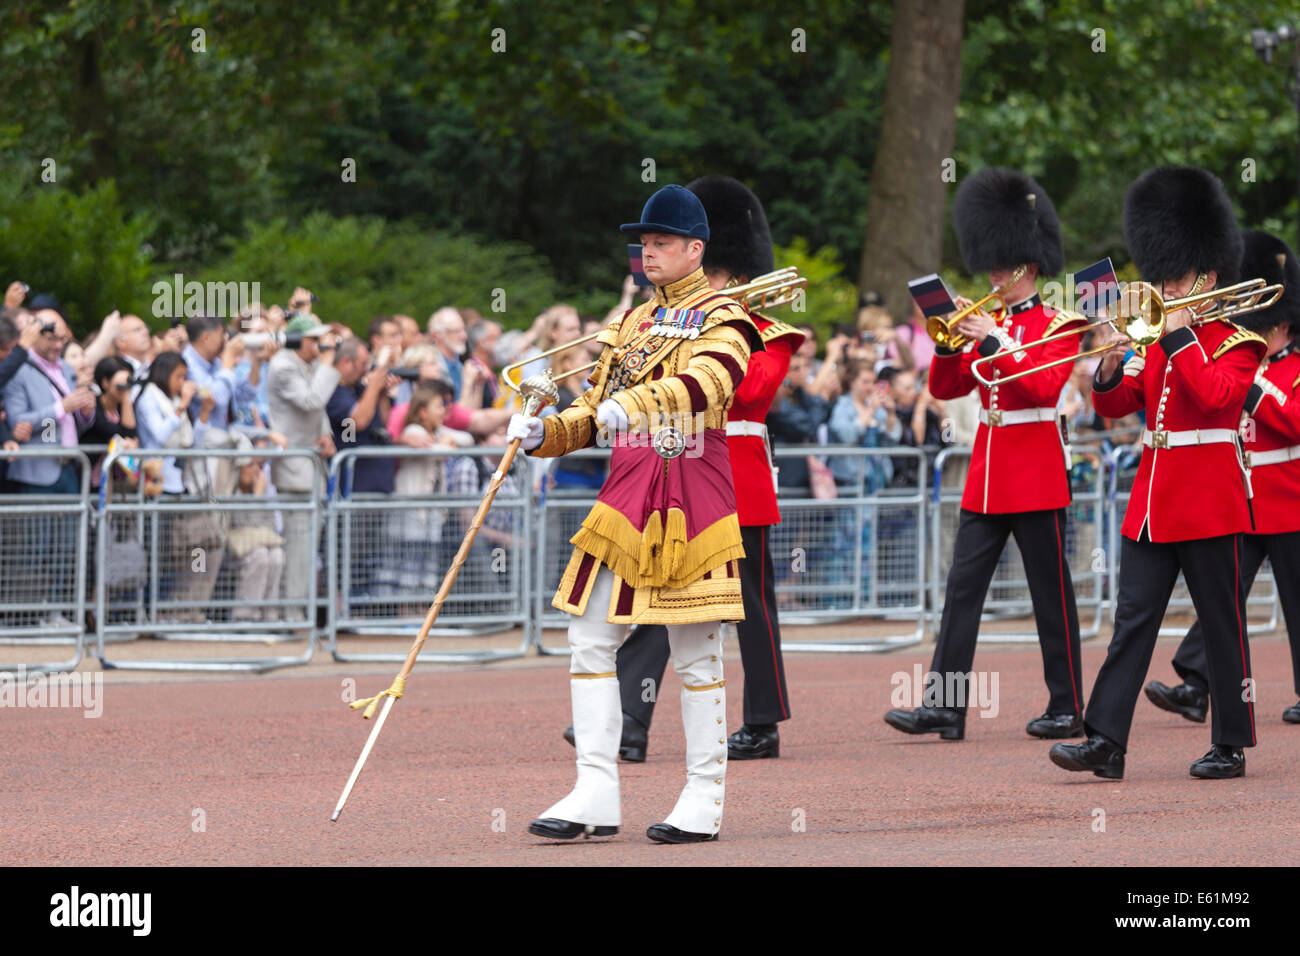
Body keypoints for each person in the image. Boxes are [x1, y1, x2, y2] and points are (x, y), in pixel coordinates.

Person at [511, 184, 760, 843]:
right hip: (628, 489)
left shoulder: (726, 317)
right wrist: (548, 435)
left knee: (696, 658)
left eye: (662, 243)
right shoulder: (634, 324)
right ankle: (595, 787)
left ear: (695, 249)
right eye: (644, 243)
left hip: (691, 491)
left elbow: (711, 382)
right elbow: (597, 407)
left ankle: (704, 796)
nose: (648, 253)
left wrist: (639, 406)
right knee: (589, 636)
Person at [558, 176, 805, 764]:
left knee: (749, 607)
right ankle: (631, 719)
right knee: (660, 600)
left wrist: (714, 336)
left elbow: (746, 390)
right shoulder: (658, 320)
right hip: (669, 475)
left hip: (733, 472)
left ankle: (762, 719)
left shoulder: (760, 329)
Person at [1050, 165, 1265, 780]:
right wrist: (1113, 360)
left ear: (1208, 275)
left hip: (1208, 496)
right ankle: (1106, 741)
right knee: (1132, 619)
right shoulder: (1156, 342)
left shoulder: (1235, 341)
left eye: (1176, 276)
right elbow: (1116, 405)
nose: (1165, 286)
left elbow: (1219, 398)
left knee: (1221, 623)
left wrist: (1176, 338)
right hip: (1153, 495)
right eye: (1163, 274)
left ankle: (1231, 742)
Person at [884, 167, 1087, 742]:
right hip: (988, 471)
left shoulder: (1059, 322)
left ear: (1031, 265)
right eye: (993, 263)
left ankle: (1067, 705)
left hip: (1037, 467)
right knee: (962, 590)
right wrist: (951, 338)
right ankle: (946, 708)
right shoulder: (987, 320)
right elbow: (946, 390)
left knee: (1051, 593)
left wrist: (996, 343)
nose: (996, 273)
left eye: (1006, 264)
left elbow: (1042, 389)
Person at [1140, 230, 1300, 728]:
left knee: (1297, 601)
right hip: (1245, 496)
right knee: (1224, 597)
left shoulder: (1289, 369)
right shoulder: (1240, 353)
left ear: (1285, 325)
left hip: (1289, 499)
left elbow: (1293, 421)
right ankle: (1196, 681)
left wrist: (1251, 389)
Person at [266, 314, 339, 621]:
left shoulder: (304, 365)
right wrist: (329, 359)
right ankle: (293, 618)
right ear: (300, 340)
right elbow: (312, 399)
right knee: (298, 550)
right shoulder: (283, 367)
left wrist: (327, 433)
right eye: (316, 340)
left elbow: (316, 409)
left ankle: (302, 616)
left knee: (308, 551)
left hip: (311, 468)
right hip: (294, 470)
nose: (321, 345)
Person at [83, 356, 139, 488]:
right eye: (120, 385)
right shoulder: (93, 405)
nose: (125, 389)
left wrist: (126, 399)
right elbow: (112, 432)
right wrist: (126, 398)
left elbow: (130, 435)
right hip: (88, 478)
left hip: (112, 480)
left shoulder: (125, 408)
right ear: (105, 382)